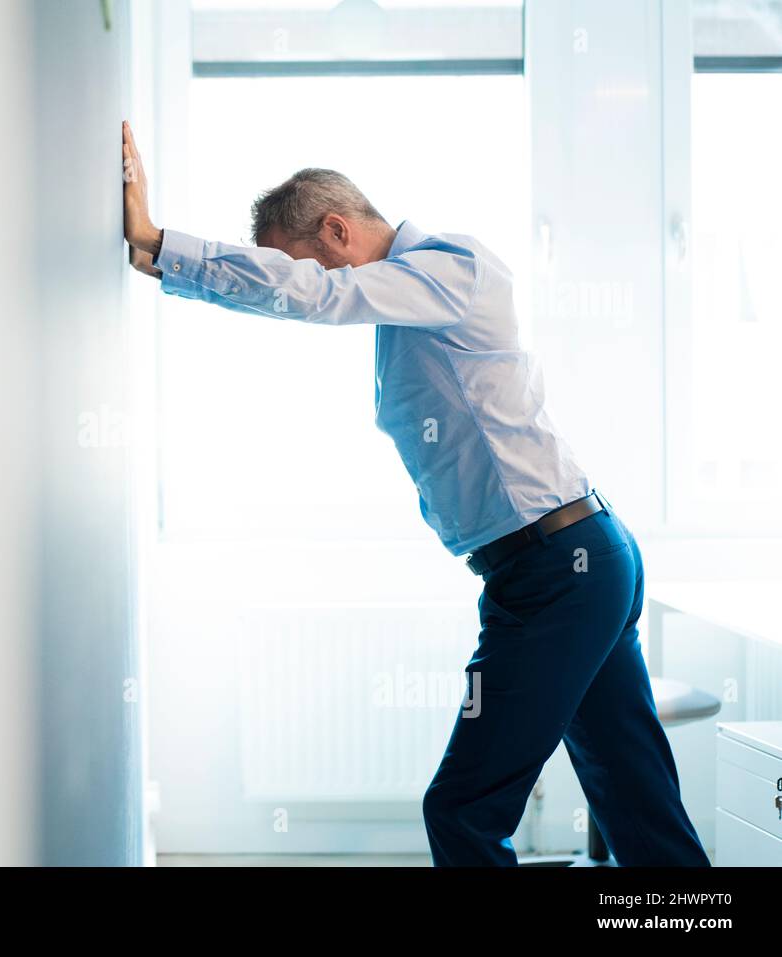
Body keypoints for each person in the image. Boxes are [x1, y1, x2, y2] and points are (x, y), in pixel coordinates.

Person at [121, 121, 710, 867]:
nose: (298, 286)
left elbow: (309, 297)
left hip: (558, 568)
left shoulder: (451, 266)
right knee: (633, 795)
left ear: (337, 229)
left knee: (463, 807)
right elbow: (303, 293)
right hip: (568, 558)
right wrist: (160, 263)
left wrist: (160, 240)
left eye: (299, 261)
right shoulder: (408, 309)